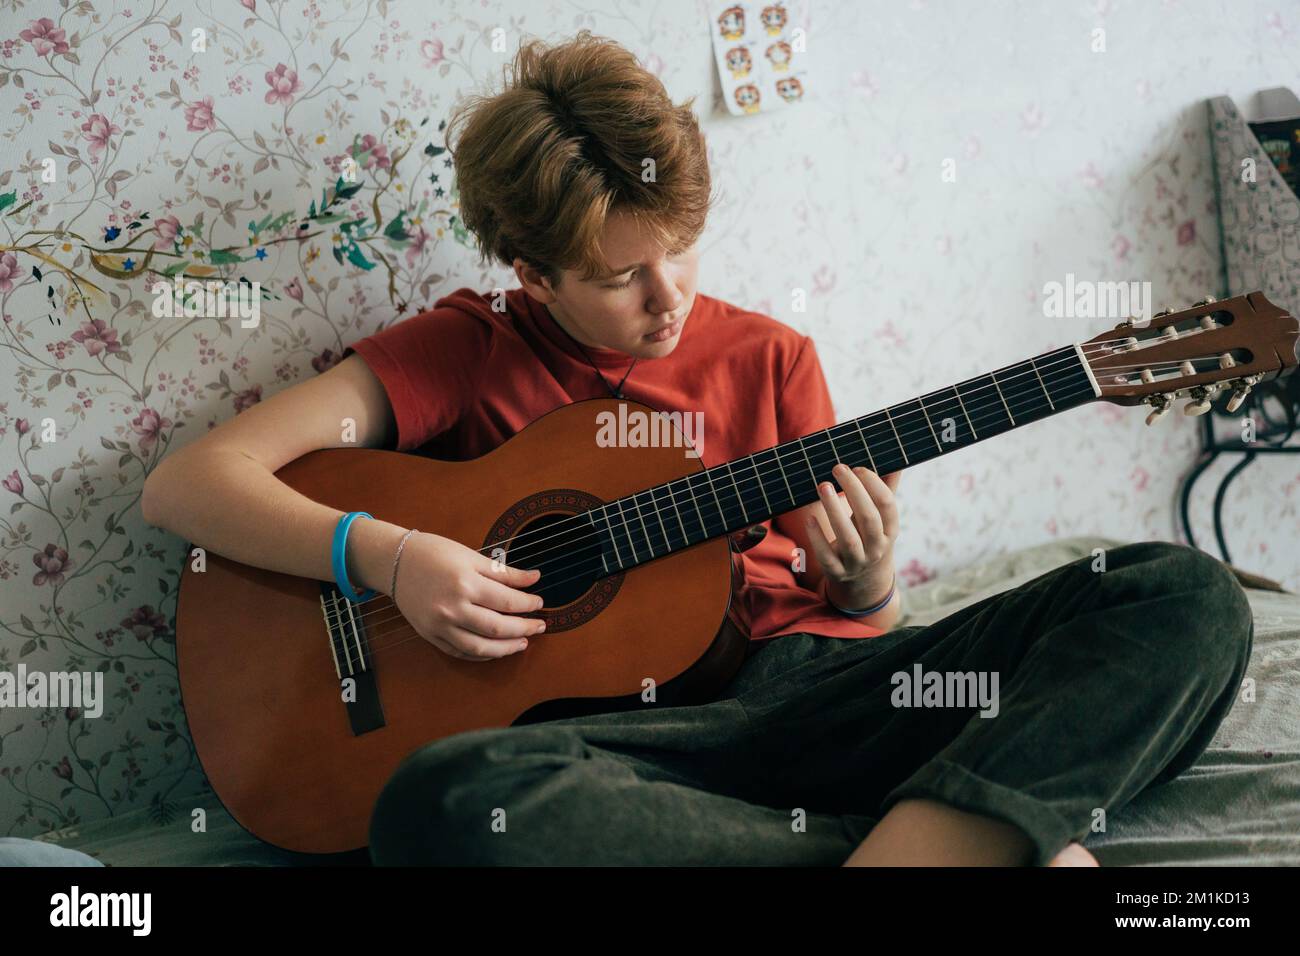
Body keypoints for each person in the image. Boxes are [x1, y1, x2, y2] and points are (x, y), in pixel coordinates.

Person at [141, 31, 1253, 866]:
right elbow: (190, 483)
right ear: (533, 271)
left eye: (676, 249)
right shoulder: (461, 353)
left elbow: (856, 622)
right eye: (621, 273)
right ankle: (943, 837)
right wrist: (391, 558)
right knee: (442, 798)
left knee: (1182, 596)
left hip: (815, 690)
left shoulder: (769, 357)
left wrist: (864, 582)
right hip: (645, 749)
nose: (667, 296)